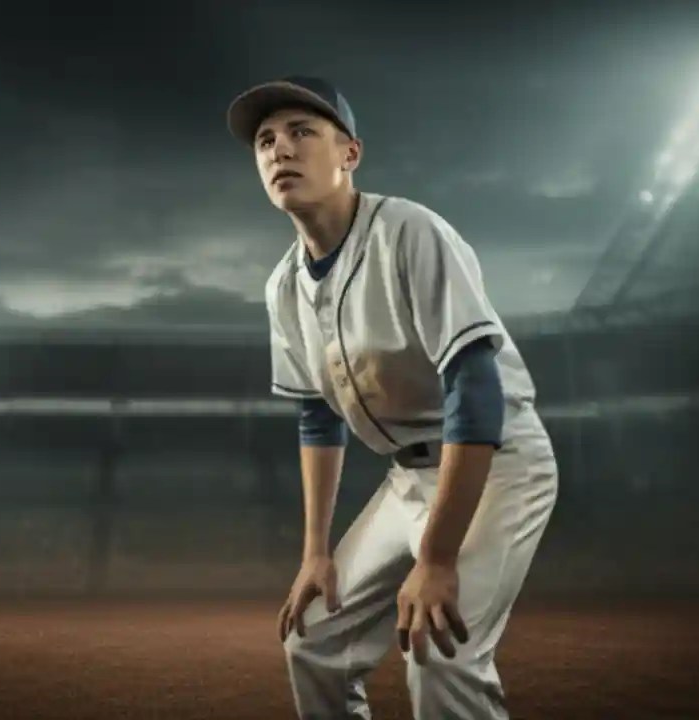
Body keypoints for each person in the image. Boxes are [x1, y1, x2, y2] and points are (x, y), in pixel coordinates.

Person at [225, 76, 559, 719]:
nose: (279, 151)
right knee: (312, 638)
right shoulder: (283, 286)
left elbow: (475, 387)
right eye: (265, 141)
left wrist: (437, 557)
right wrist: (316, 553)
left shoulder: (409, 230)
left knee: (442, 655)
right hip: (407, 477)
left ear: (350, 154)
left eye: (302, 133)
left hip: (497, 466)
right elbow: (317, 415)